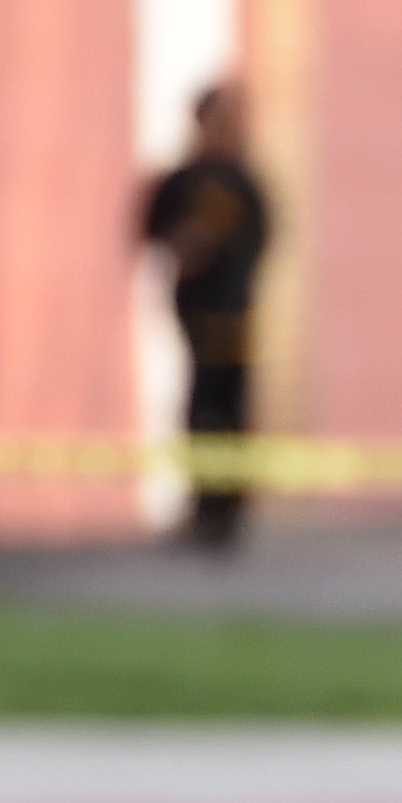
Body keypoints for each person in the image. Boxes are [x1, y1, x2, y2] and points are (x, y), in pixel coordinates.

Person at [138, 83, 271, 549]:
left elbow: (262, 240)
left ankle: (229, 509)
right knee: (200, 408)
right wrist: (182, 243)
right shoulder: (183, 180)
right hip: (196, 313)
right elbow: (149, 228)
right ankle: (202, 505)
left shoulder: (244, 181)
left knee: (232, 408)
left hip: (235, 315)